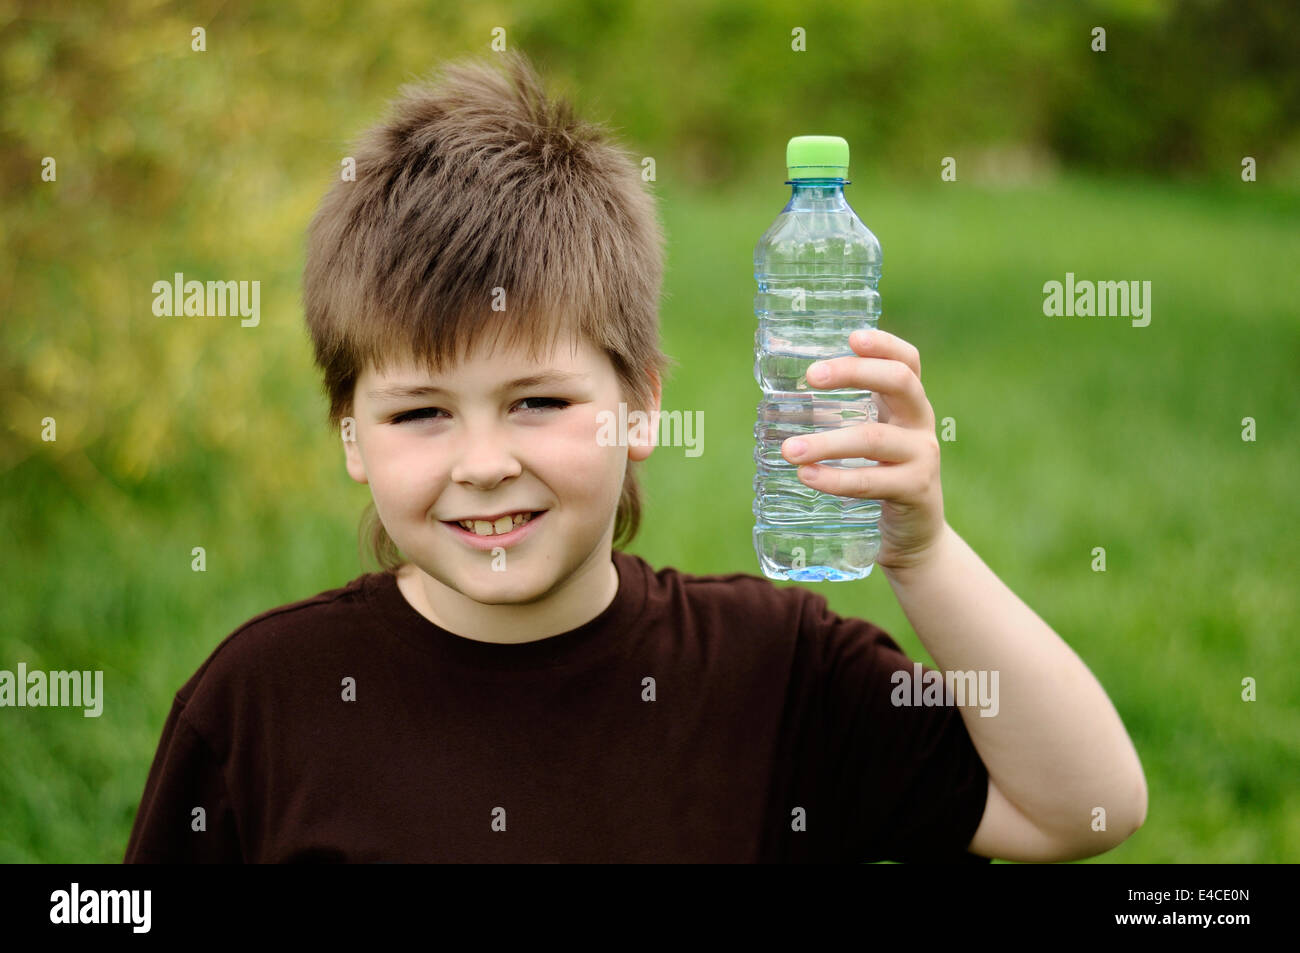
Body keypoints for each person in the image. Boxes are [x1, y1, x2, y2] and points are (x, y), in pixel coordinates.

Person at [124, 50, 1146, 863]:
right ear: (350, 431)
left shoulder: (773, 671)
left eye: (537, 400)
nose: (482, 462)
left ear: (641, 403)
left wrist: (921, 554)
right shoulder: (263, 699)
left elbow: (1083, 806)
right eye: (421, 413)